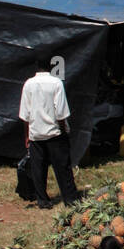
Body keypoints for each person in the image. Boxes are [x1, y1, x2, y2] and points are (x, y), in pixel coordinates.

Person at [19, 56, 77, 208]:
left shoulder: (28, 84)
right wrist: (64, 131)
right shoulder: (56, 83)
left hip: (35, 133)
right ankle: (70, 199)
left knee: (38, 168)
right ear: (51, 67)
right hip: (54, 133)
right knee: (62, 167)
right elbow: (61, 113)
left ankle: (43, 200)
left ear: (37, 66)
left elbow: (25, 114)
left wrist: (27, 136)